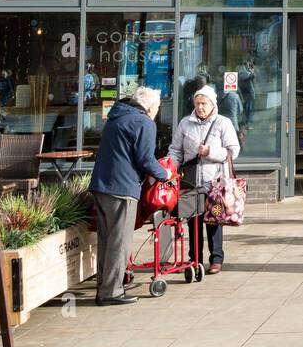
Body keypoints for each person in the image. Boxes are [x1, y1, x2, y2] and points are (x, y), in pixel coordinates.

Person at [88, 86, 173, 305]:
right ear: (150, 106)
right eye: (157, 107)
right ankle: (112, 292)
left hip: (101, 185)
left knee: (106, 240)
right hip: (122, 188)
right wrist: (165, 174)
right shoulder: (143, 122)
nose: (157, 111)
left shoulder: (116, 116)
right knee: (120, 242)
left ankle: (103, 288)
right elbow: (145, 159)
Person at [169, 84, 241, 275]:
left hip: (214, 182)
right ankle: (195, 259)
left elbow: (233, 150)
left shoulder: (222, 123)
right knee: (193, 221)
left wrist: (210, 152)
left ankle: (216, 258)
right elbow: (176, 150)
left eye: (203, 103)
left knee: (214, 220)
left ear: (212, 104)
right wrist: (171, 166)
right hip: (191, 181)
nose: (200, 107)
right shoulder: (185, 123)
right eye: (197, 103)